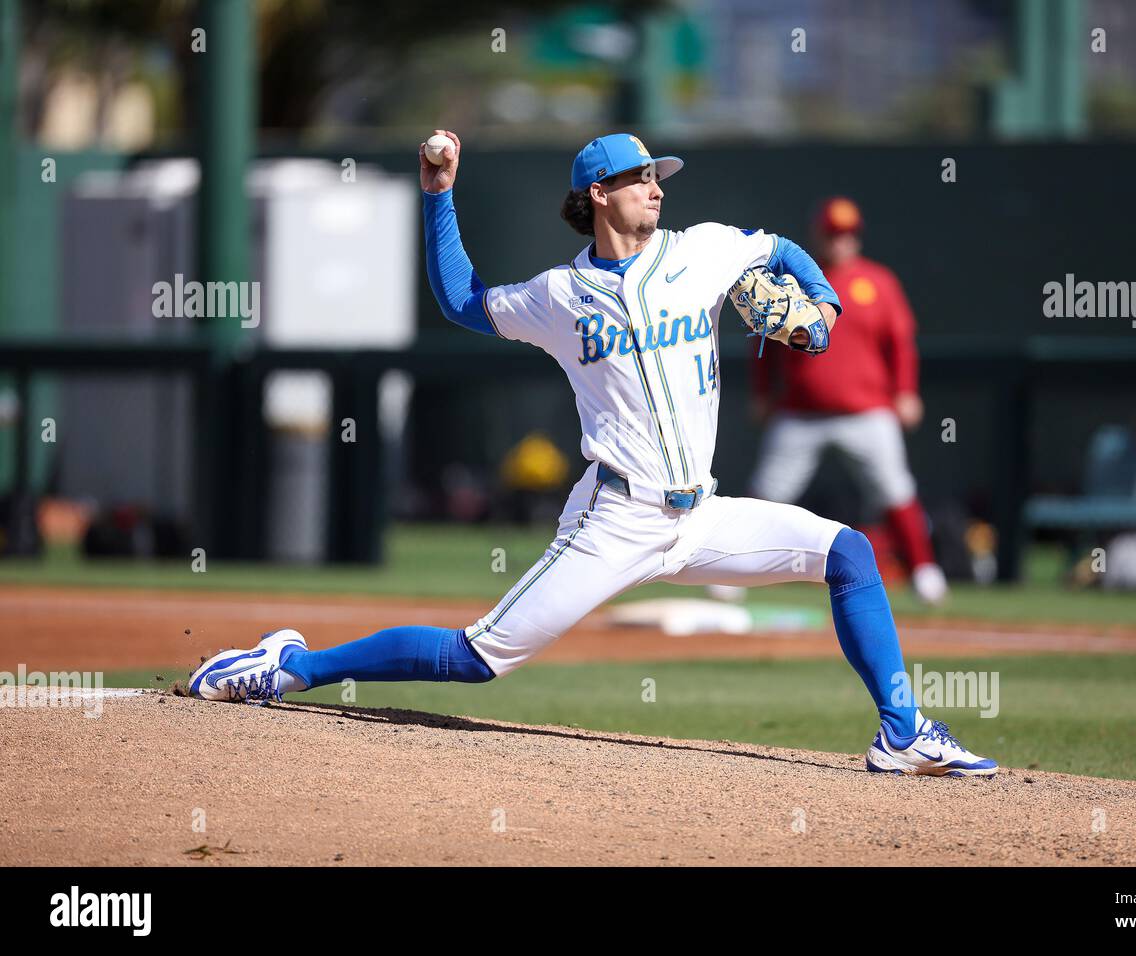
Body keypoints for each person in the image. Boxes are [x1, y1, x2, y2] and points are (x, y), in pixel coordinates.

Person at [186, 132, 995, 777]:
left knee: (848, 553)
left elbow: (781, 249)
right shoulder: (558, 296)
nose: (658, 187)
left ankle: (903, 733)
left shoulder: (702, 250)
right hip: (613, 518)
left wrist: (819, 306)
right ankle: (290, 665)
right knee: (477, 660)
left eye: (659, 175)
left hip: (699, 515)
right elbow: (462, 300)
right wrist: (439, 197)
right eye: (641, 176)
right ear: (598, 194)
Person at [748, 196, 949, 605]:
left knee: (895, 491)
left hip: (866, 410)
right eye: (833, 233)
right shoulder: (792, 281)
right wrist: (763, 393)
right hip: (801, 412)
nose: (841, 242)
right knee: (766, 495)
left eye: (848, 234)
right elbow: (766, 339)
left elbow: (900, 345)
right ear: (817, 234)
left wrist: (906, 391)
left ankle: (925, 573)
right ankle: (735, 575)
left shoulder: (878, 282)